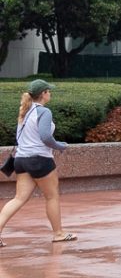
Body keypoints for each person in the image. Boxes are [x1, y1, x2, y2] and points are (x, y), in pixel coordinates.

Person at [0, 80, 75, 247]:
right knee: (52, 196)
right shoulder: (44, 112)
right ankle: (58, 234)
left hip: (21, 160)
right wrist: (60, 146)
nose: (50, 94)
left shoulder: (24, 111)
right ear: (43, 94)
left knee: (18, 199)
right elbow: (45, 137)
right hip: (40, 159)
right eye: (49, 91)